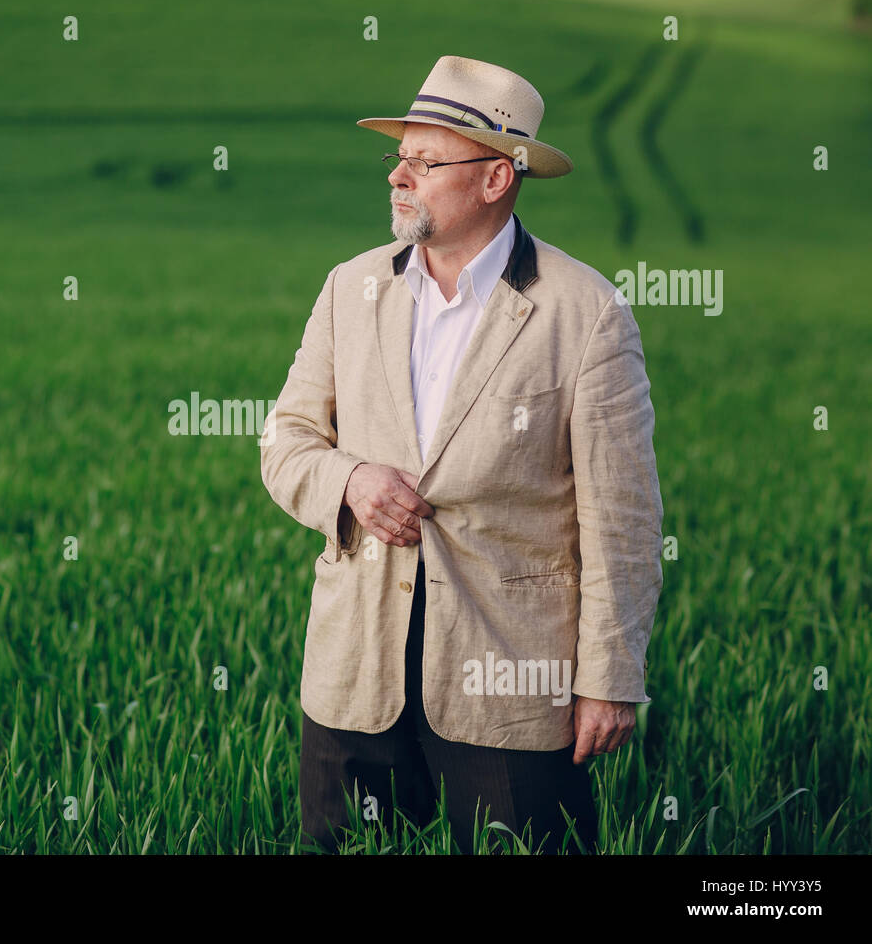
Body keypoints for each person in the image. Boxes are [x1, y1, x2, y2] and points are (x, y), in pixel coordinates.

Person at [259, 55, 664, 854]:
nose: (399, 178)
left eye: (425, 160)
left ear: (495, 180)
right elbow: (286, 441)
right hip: (356, 668)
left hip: (511, 679)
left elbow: (623, 517)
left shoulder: (586, 313)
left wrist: (609, 681)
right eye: (398, 157)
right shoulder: (350, 287)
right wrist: (351, 481)